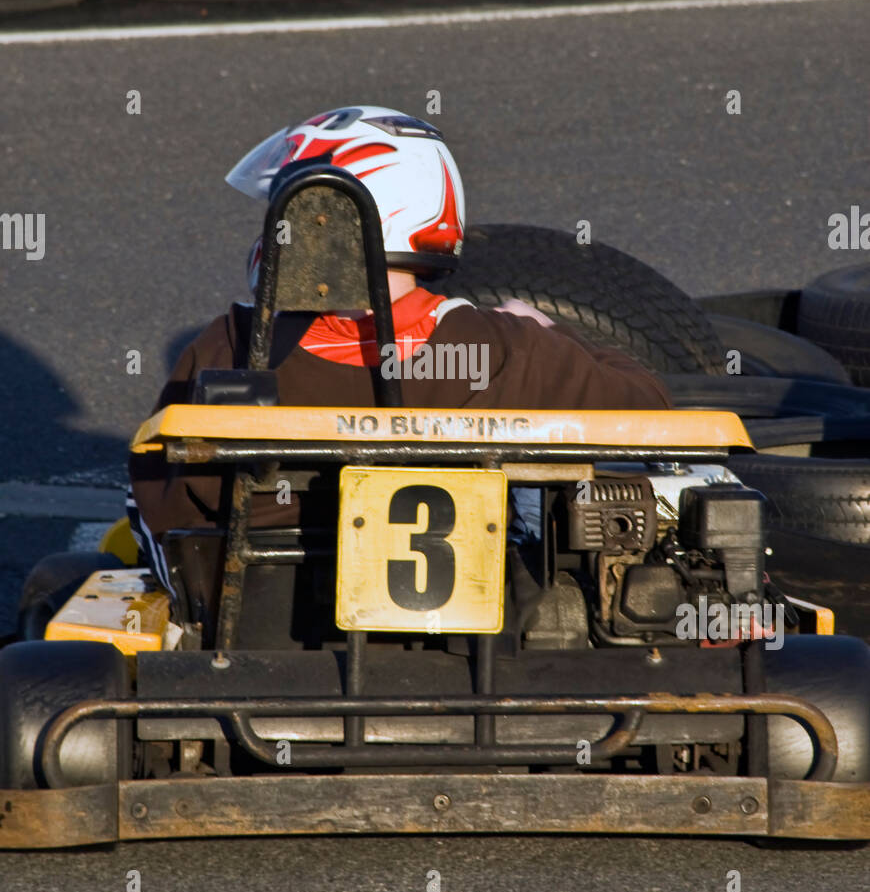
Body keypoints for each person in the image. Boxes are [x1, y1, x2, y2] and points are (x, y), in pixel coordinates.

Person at [127, 105, 670, 585]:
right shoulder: (500, 348)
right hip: (476, 647)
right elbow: (648, 410)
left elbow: (168, 502)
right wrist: (553, 332)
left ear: (322, 223)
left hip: (261, 631)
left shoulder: (229, 346)